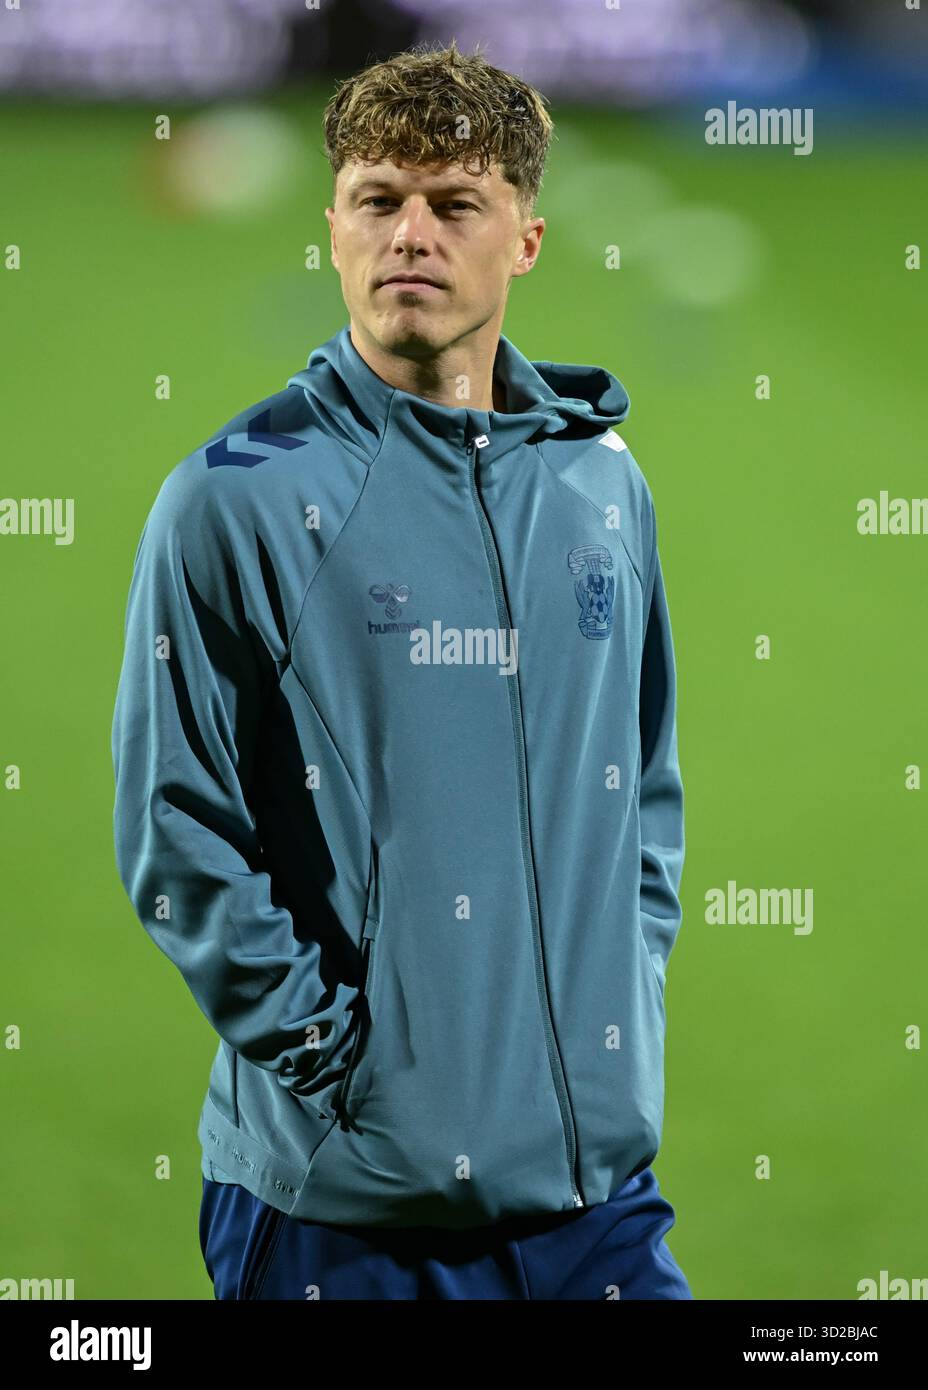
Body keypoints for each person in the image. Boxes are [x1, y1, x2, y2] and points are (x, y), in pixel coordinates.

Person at [111, 38, 690, 1300]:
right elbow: (178, 839)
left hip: (594, 1196)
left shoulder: (600, 482)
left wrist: (620, 1010)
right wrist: (353, 1072)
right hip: (350, 1218)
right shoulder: (235, 501)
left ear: (525, 239)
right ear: (333, 225)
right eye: (380, 200)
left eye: (453, 204)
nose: (410, 235)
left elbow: (641, 783)